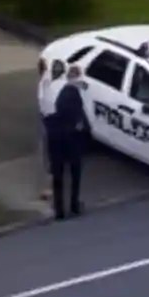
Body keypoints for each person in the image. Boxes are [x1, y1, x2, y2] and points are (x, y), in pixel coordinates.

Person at [49, 64, 89, 219]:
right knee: (75, 173)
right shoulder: (72, 94)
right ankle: (73, 204)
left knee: (58, 175)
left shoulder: (59, 92)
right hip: (70, 139)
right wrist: (79, 126)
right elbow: (77, 118)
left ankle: (59, 209)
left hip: (55, 138)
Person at [36, 58, 59, 202]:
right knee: (52, 154)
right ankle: (53, 186)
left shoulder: (44, 83)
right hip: (52, 119)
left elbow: (43, 101)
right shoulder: (50, 81)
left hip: (49, 120)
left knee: (49, 155)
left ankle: (51, 189)